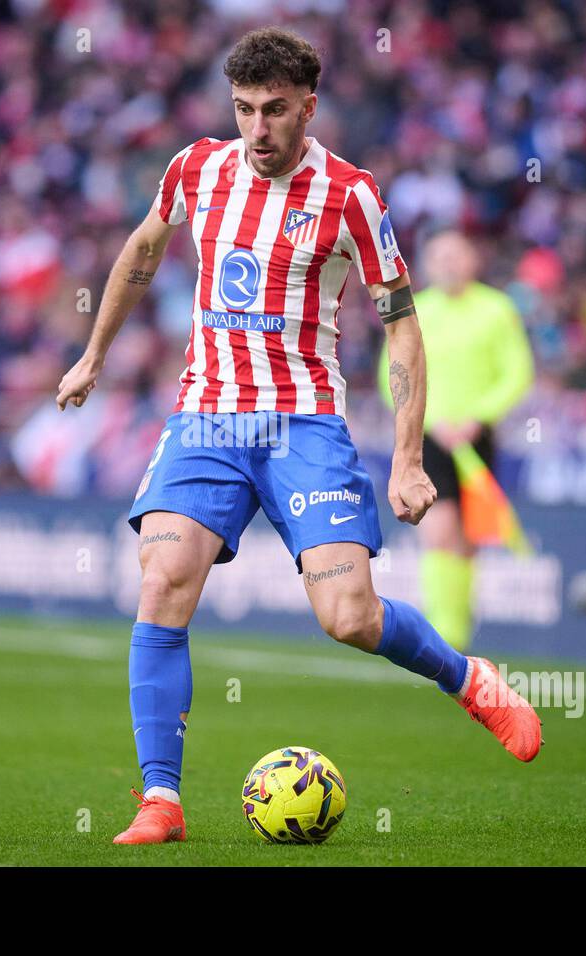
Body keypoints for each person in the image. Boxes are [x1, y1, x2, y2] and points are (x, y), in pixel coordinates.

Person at [56, 27, 540, 846]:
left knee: (348, 617)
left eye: (275, 110)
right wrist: (93, 352)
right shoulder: (195, 169)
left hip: (302, 422)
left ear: (307, 107)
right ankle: (161, 800)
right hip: (208, 415)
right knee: (164, 578)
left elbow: (402, 325)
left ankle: (471, 680)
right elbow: (143, 246)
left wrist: (410, 457)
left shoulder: (351, 195)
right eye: (244, 109)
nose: (258, 129)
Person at [378, 232, 535, 651]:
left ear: (472, 259)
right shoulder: (416, 310)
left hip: (477, 438)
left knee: (469, 536)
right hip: (426, 438)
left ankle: (459, 632)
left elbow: (517, 372)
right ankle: (442, 628)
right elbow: (389, 373)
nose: (448, 263)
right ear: (426, 264)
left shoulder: (496, 309)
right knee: (438, 530)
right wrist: (426, 419)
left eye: (455, 254)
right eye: (439, 256)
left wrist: (479, 416)